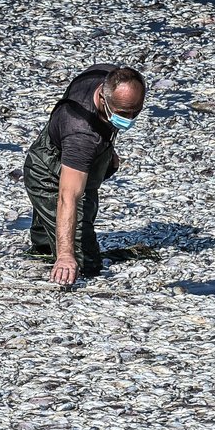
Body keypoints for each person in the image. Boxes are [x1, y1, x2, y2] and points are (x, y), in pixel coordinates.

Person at [23, 64, 146, 285]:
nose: (129, 118)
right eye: (122, 113)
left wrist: (109, 149)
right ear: (102, 97)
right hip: (47, 169)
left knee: (46, 242)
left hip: (64, 142)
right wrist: (66, 256)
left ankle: (44, 239)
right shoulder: (81, 135)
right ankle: (53, 247)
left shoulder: (103, 74)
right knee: (86, 263)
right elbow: (68, 196)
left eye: (135, 111)